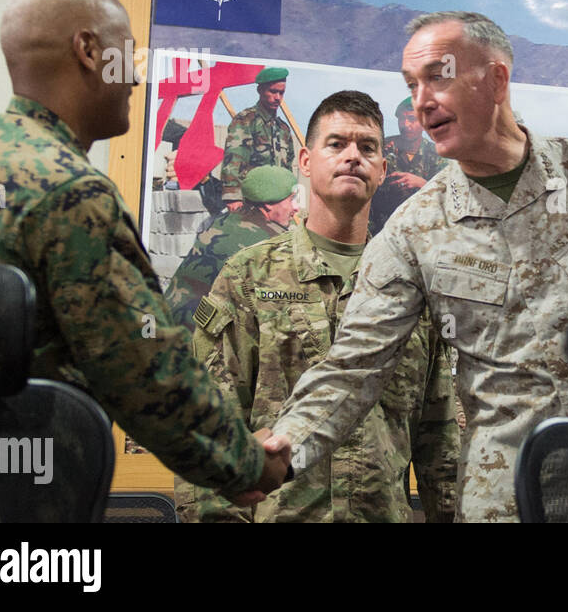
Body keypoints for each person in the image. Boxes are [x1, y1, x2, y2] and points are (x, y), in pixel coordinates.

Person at [266, 11, 568, 521]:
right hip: (506, 496)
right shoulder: (414, 229)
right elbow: (354, 366)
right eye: (412, 85)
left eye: (438, 76)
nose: (421, 100)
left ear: (496, 80)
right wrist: (284, 448)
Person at [0, 0, 287, 505]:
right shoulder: (70, 192)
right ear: (88, 50)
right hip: (24, 497)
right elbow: (145, 368)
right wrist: (245, 464)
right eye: (128, 55)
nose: (135, 78)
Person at [175, 90, 459, 522]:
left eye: (367, 147)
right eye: (336, 143)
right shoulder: (249, 276)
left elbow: (439, 441)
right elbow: (212, 424)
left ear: (383, 170)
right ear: (305, 162)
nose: (352, 156)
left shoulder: (410, 289)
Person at [164, 165, 299, 332]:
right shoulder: (271, 246)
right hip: (200, 341)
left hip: (166, 322)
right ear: (269, 204)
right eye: (291, 199)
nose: (296, 208)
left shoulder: (222, 221)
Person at [220, 66, 297, 211]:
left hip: (278, 204)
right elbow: (234, 160)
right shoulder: (246, 120)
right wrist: (233, 197)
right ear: (260, 90)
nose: (277, 97)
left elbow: (288, 168)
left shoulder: (283, 129)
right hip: (251, 203)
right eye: (273, 91)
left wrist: (290, 197)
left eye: (281, 92)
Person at [368, 97, 444, 234]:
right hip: (380, 232)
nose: (405, 124)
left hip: (421, 235)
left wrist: (423, 185)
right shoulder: (381, 149)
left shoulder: (436, 155)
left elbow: (450, 198)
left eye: (412, 119)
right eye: (401, 119)